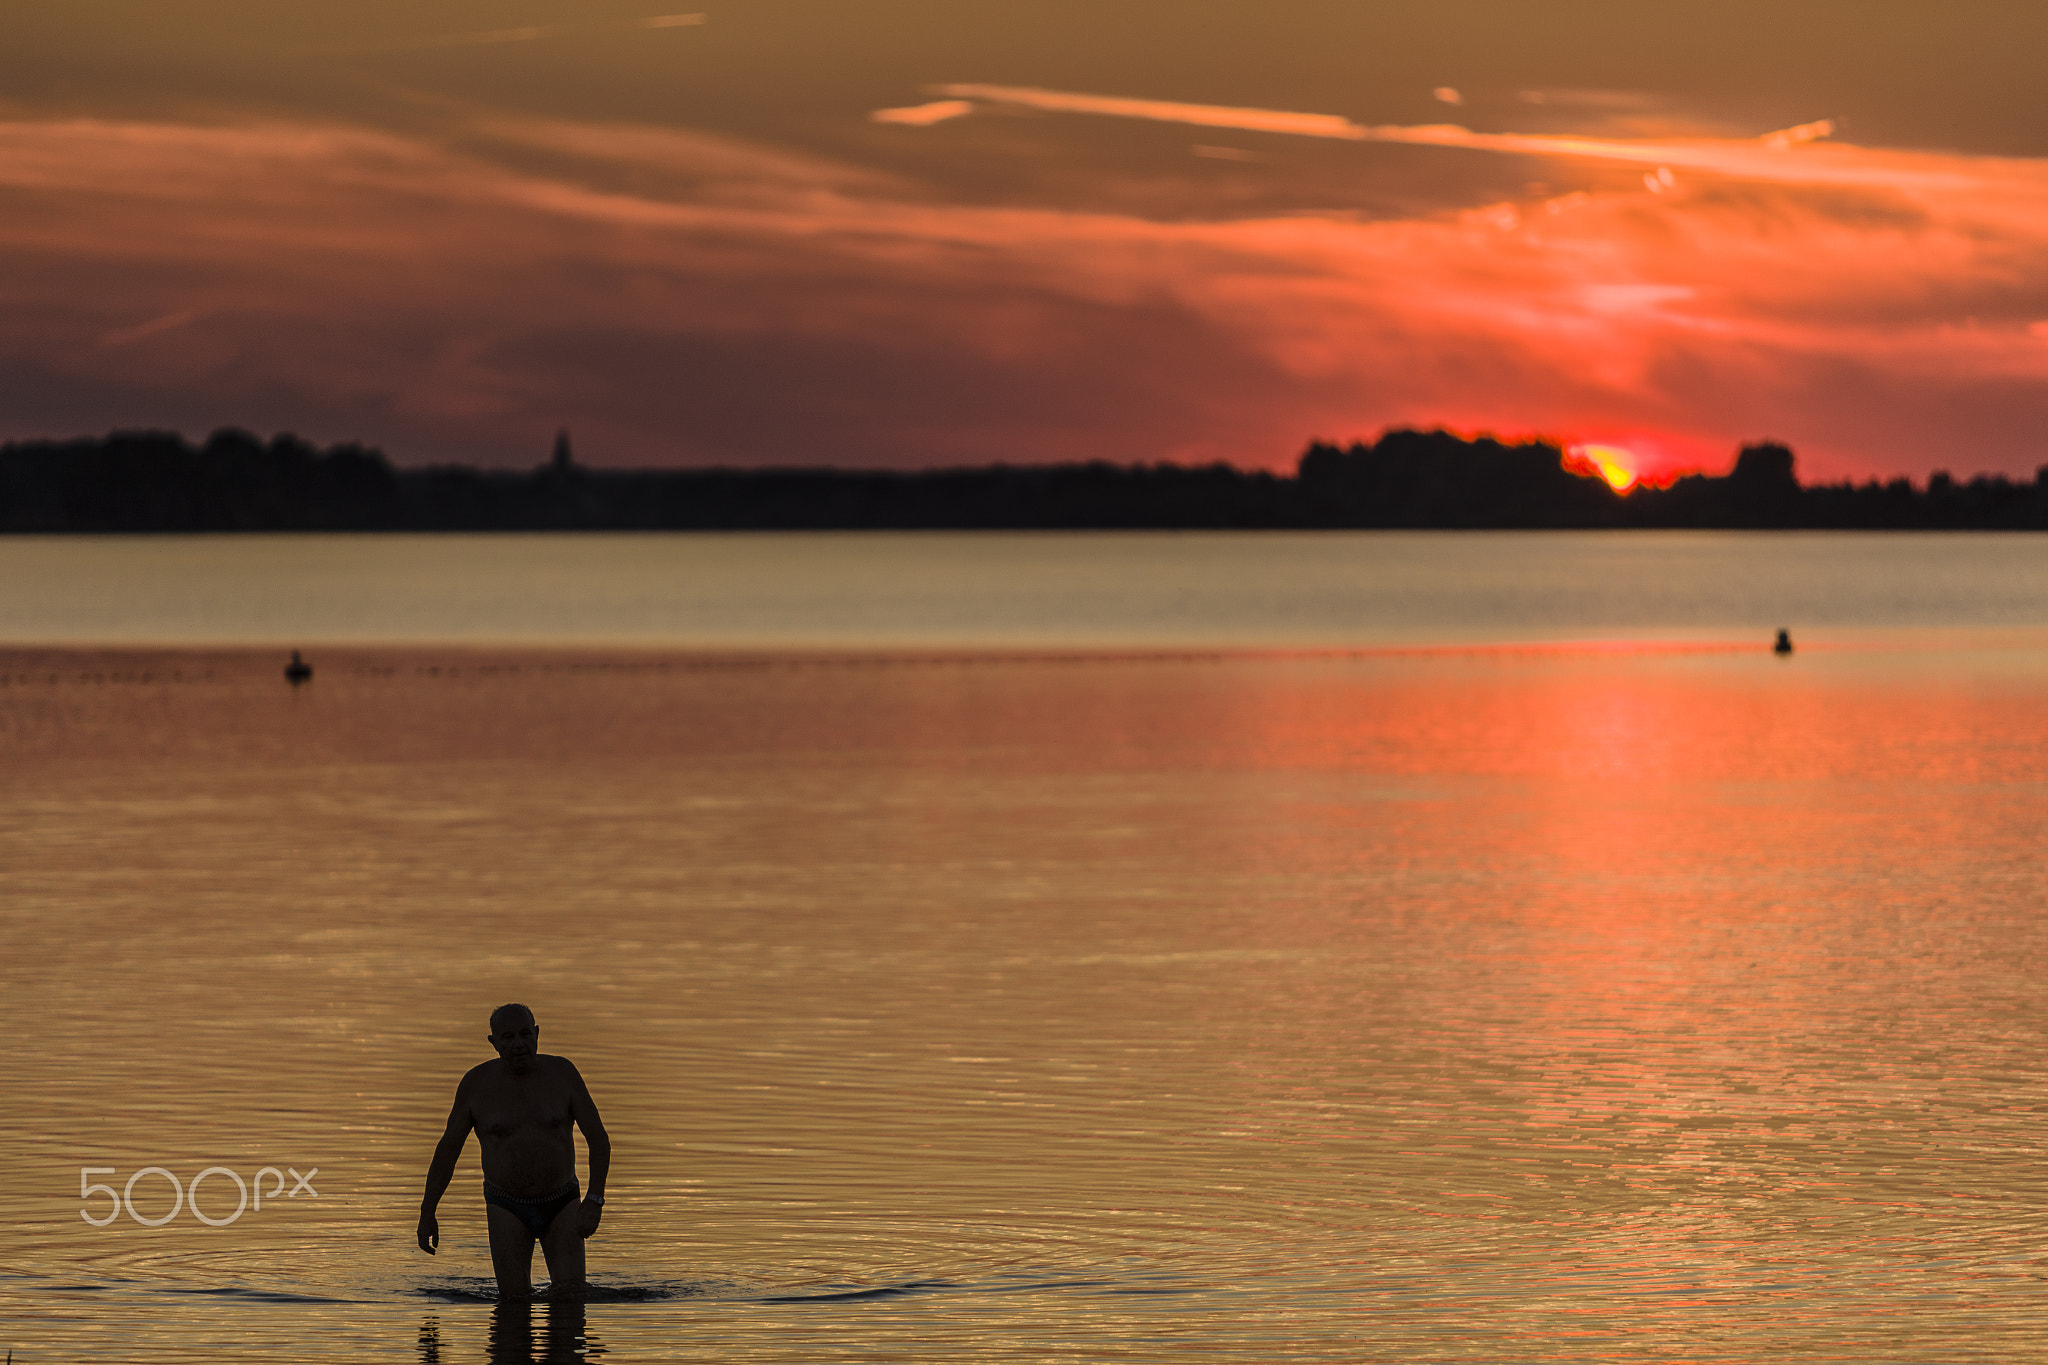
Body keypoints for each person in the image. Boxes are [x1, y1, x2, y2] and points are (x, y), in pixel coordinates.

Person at [416, 1004, 611, 1299]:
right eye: (507, 1037)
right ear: (494, 1043)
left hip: (562, 1202)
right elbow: (447, 1152)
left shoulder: (562, 1074)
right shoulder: (476, 1084)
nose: (518, 1044)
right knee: (512, 1302)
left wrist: (594, 1199)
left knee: (571, 1300)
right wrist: (427, 1211)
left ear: (536, 1034)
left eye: (524, 1034)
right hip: (505, 1204)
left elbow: (598, 1139)